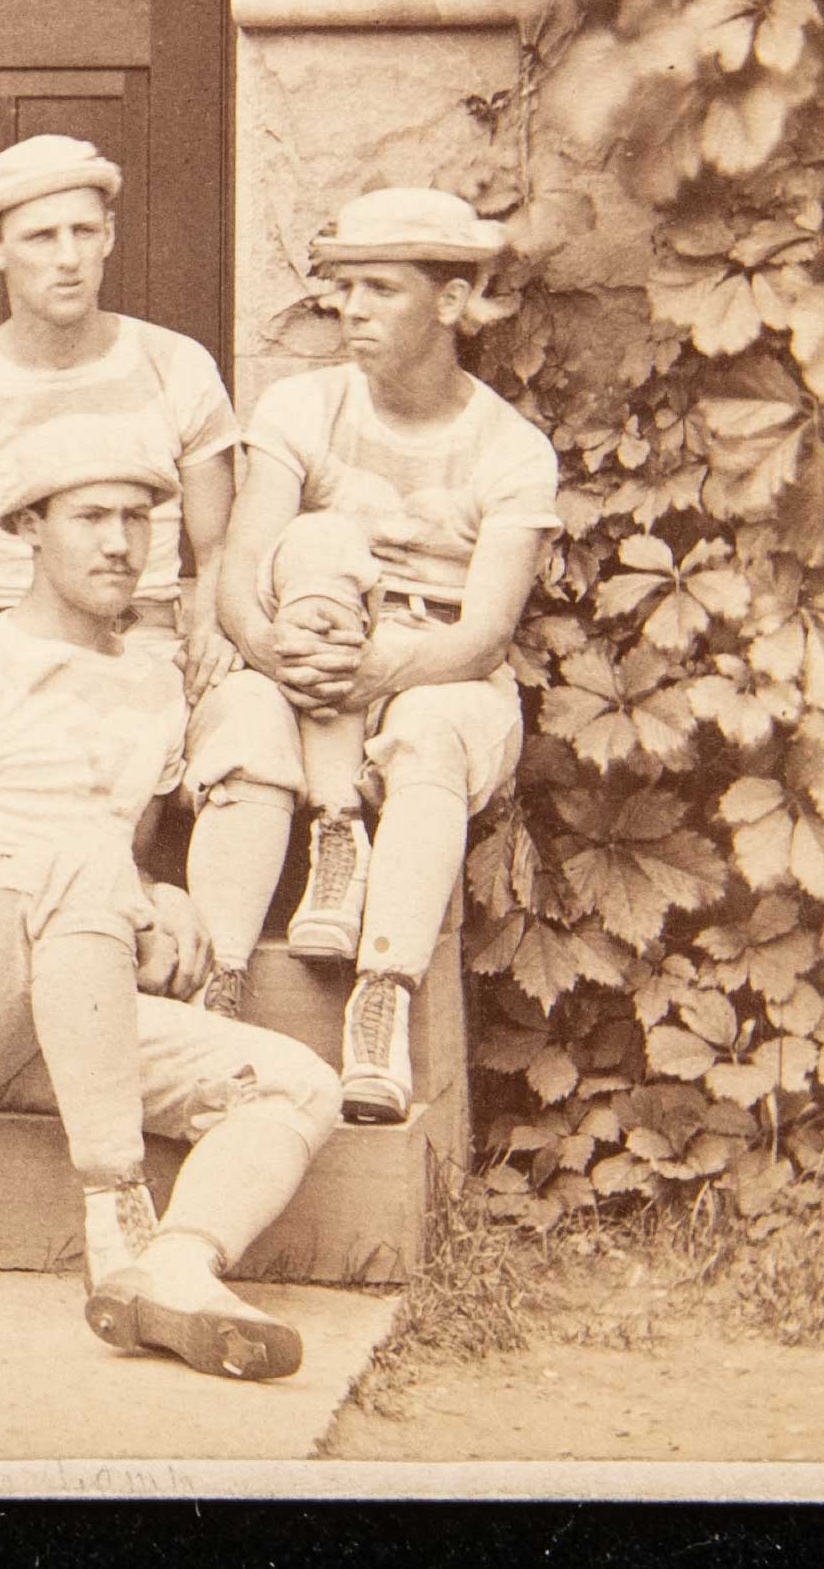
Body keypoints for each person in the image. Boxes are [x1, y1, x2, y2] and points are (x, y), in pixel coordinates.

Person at [0, 415, 341, 1382]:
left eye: (137, 518)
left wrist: (160, 893)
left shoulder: (152, 686)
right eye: (91, 517)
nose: (121, 542)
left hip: (69, 1009)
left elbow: (119, 860)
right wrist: (119, 893)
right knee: (81, 863)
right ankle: (116, 1212)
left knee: (298, 1083)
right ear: (27, 527)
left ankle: (176, 1268)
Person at [182, 189, 558, 1123]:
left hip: (439, 668)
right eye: (344, 287)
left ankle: (381, 994)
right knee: (264, 676)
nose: (351, 309)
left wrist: (378, 670)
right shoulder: (301, 406)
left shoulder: (510, 448)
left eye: (381, 289)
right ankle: (224, 980)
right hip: (303, 649)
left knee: (428, 731)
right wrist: (276, 652)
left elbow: (484, 633)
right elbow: (240, 575)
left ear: (452, 300)